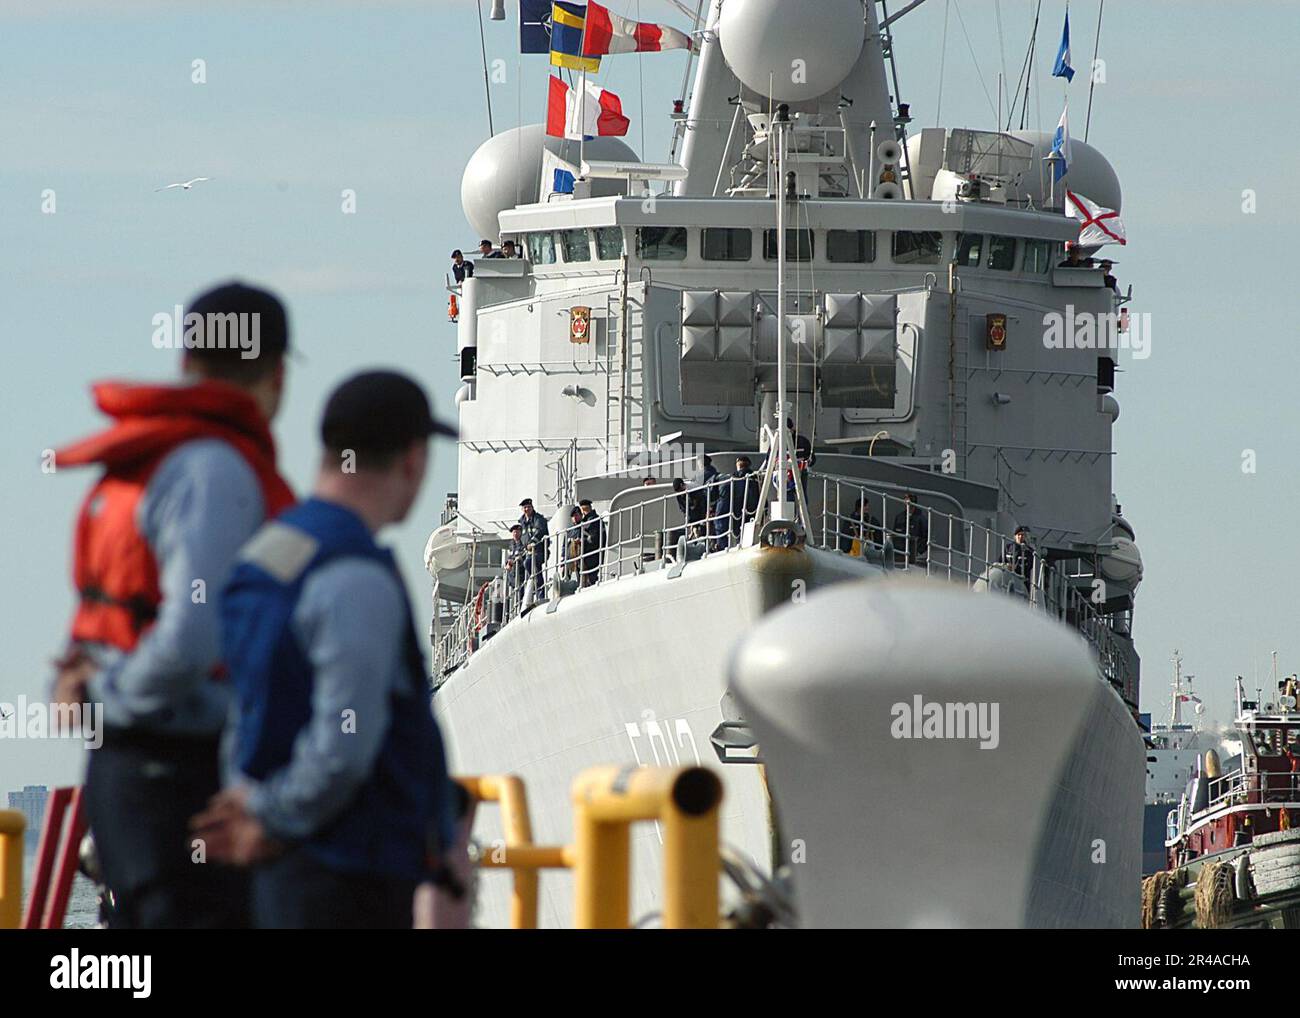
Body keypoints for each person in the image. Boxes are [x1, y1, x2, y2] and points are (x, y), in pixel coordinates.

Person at [50, 281, 295, 929]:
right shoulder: (216, 470)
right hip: (179, 774)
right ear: (277, 374)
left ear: (187, 363)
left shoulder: (150, 462)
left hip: (133, 768)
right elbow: (193, 638)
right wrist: (108, 692)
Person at [192, 370, 458, 929]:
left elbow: (247, 705)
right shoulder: (356, 575)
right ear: (413, 461)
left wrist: (248, 800)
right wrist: (270, 815)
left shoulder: (264, 554)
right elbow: (343, 745)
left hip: (278, 875)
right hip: (352, 875)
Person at [518, 498, 550, 599]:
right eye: (525, 507)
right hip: (527, 553)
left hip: (539, 551)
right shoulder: (522, 523)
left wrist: (532, 542)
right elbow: (521, 539)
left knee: (530, 564)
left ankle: (540, 591)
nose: (527, 509)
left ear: (532, 507)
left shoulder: (538, 519)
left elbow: (540, 531)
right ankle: (529, 596)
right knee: (525, 570)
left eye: (528, 507)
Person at [891, 491, 928, 565]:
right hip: (900, 553)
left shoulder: (921, 519)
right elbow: (894, 534)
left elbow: (925, 537)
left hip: (914, 555)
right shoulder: (899, 517)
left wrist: (918, 551)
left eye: (908, 498)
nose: (906, 500)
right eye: (905, 498)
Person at [578, 499, 605, 587]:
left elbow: (594, 538)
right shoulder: (587, 520)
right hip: (589, 554)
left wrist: (582, 541)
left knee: (593, 577)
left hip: (593, 554)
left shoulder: (593, 520)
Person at [504, 523, 527, 604]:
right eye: (514, 532)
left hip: (520, 573)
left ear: (520, 532)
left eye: (517, 532)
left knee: (520, 594)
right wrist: (508, 563)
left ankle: (520, 606)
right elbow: (509, 557)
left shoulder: (523, 543)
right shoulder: (512, 544)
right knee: (511, 596)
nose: (515, 534)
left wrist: (514, 562)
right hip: (512, 575)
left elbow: (522, 556)